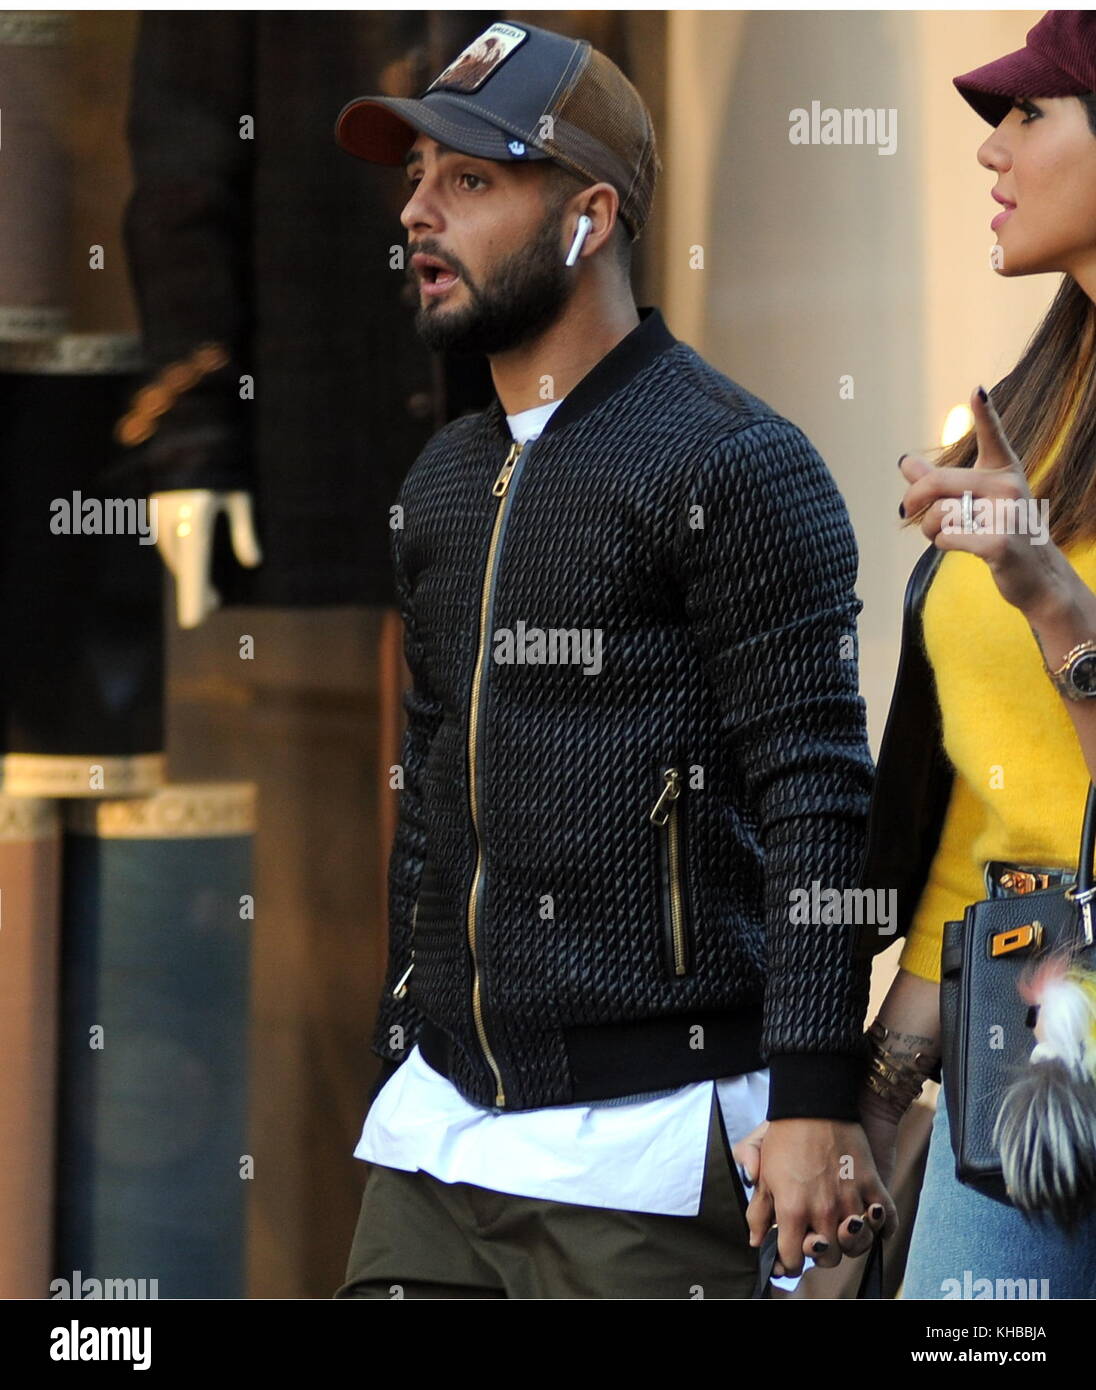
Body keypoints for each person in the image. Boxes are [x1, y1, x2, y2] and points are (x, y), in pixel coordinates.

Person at [331, 20, 893, 1300]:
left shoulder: (731, 459)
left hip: (647, 1145)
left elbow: (815, 790)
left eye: (470, 180)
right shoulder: (442, 480)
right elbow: (428, 797)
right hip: (439, 1137)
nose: (419, 211)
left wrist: (810, 1092)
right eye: (416, 178)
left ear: (588, 218)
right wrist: (398, 1038)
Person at [856, 10, 1096, 1300]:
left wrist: (1053, 597)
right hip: (1017, 1042)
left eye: (1030, 113)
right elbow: (979, 791)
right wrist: (880, 1083)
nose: (991, 150)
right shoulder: (1038, 410)